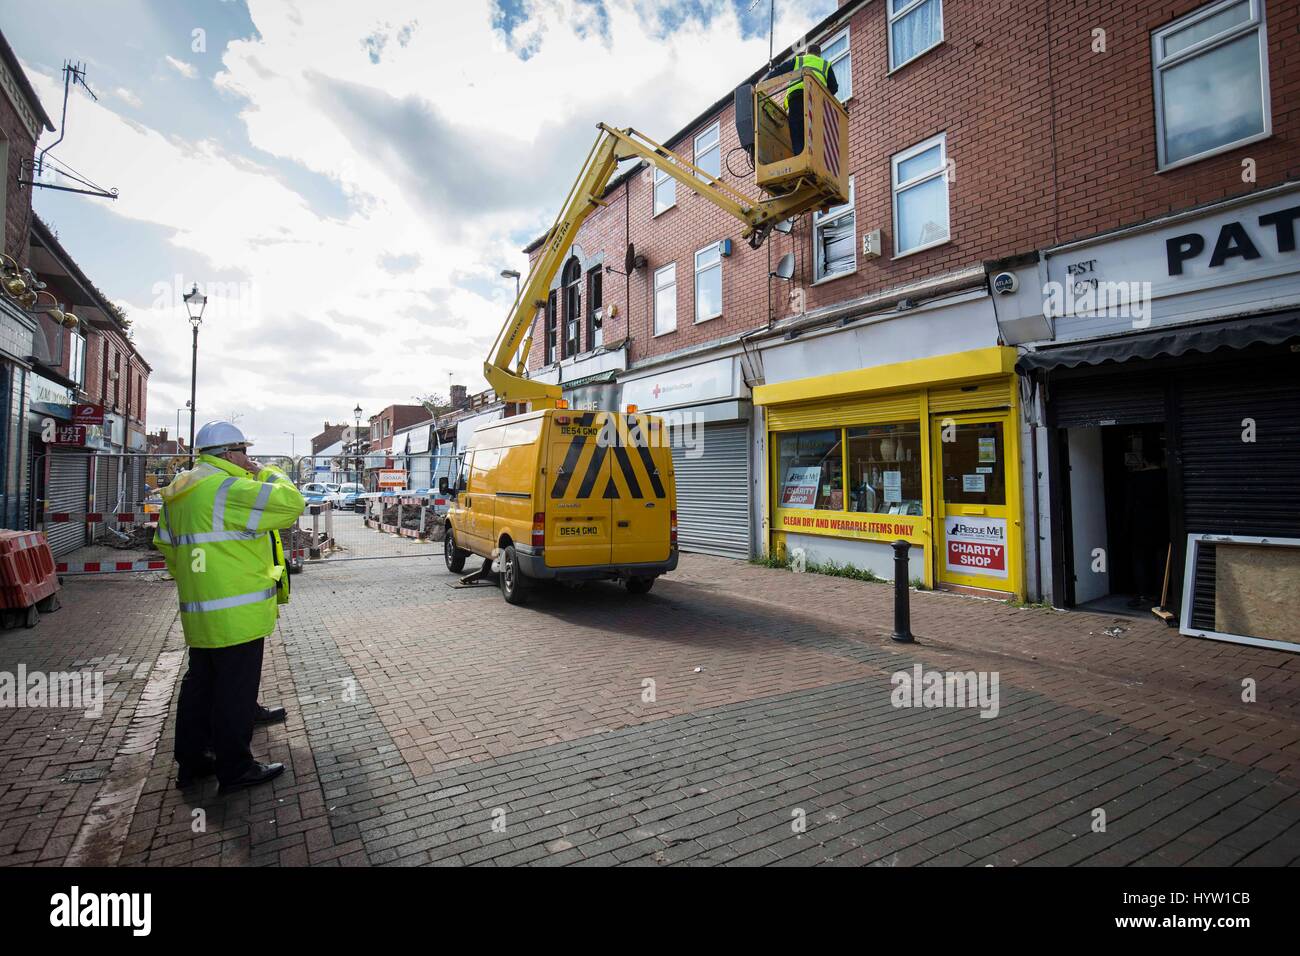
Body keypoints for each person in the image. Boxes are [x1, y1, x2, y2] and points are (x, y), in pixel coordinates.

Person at [156, 421, 306, 794]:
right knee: (234, 691)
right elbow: (291, 504)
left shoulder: (181, 490)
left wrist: (199, 582)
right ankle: (236, 768)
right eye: (244, 451)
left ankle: (193, 761)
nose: (248, 458)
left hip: (200, 610)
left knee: (201, 686)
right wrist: (267, 471)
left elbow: (167, 546)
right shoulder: (227, 488)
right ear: (228, 453)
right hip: (236, 612)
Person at [766, 42, 839, 156]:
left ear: (806, 53)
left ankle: (800, 155)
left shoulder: (799, 60)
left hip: (796, 97)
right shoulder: (825, 65)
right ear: (819, 54)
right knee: (813, 129)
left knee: (797, 128)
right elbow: (834, 88)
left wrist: (763, 83)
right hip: (816, 99)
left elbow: (779, 70)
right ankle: (812, 155)